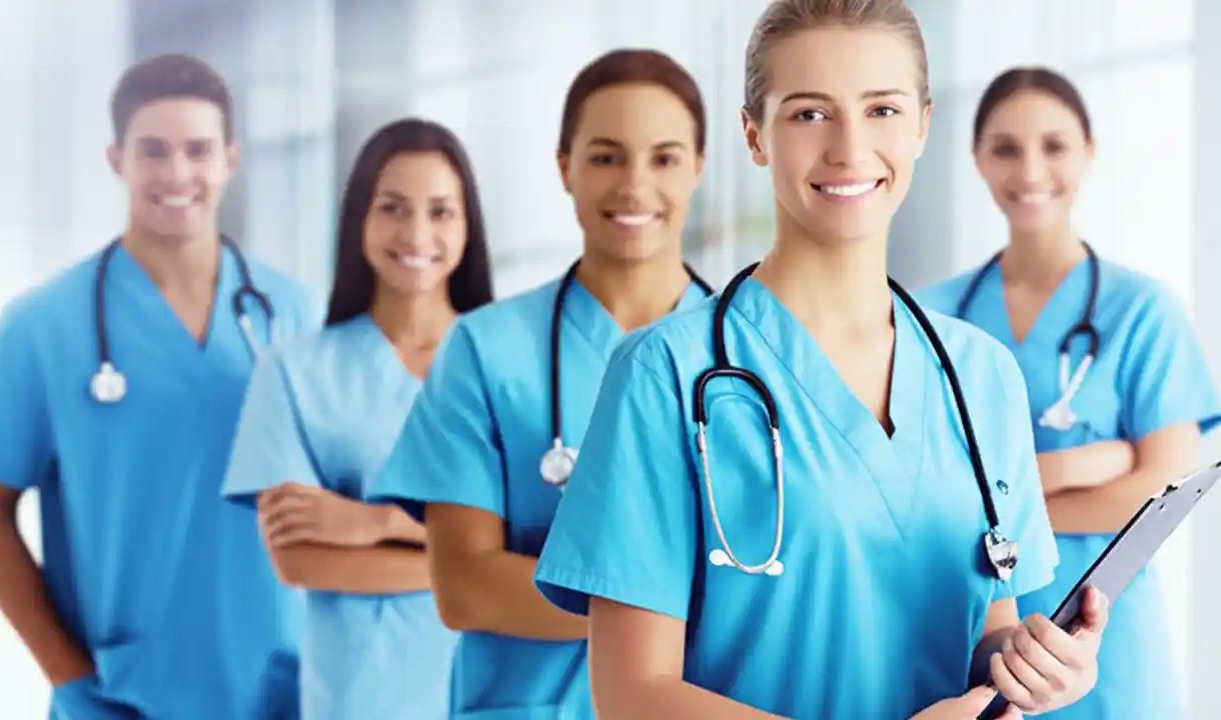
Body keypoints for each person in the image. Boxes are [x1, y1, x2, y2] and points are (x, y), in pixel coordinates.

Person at [532, 3, 1111, 719]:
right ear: (755, 134)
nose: (849, 148)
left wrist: (1036, 669)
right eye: (810, 114)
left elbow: (984, 628)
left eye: (882, 110)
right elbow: (632, 695)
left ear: (923, 125)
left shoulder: (981, 375)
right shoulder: (663, 374)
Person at [0, 54, 316, 719]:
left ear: (230, 159)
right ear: (116, 160)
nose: (177, 174)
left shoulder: (294, 314)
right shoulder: (45, 324)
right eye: (153, 150)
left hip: (286, 691)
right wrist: (70, 677)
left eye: (198, 150)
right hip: (124, 695)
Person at [366, 49, 715, 719]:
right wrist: (684, 605)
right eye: (606, 157)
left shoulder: (746, 355)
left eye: (664, 158)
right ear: (565, 168)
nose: (634, 185)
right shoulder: (487, 348)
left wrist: (584, 593)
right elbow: (466, 586)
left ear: (698, 167)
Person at [919, 67, 1221, 720]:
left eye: (1054, 145)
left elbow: (1161, 496)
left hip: (1105, 643)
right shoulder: (929, 315)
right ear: (977, 159)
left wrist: (992, 514)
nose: (1030, 170)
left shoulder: (1142, 310)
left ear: (1089, 151)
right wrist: (1084, 464)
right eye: (1006, 148)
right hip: (975, 651)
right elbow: (916, 492)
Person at [221, 118, 494, 720]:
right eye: (392, 208)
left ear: (468, 227)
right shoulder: (294, 371)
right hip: (366, 696)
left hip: (502, 688)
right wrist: (483, 569)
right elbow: (298, 558)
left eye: (441, 212)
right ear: (359, 221)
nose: (416, 233)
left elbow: (549, 547)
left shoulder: (512, 366)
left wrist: (378, 522)